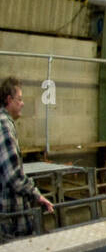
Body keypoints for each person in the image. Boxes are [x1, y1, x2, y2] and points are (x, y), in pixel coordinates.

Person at [0, 77, 54, 241]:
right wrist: (36, 194)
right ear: (9, 100)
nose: (23, 103)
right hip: (9, 216)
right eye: (20, 99)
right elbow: (13, 176)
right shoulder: (4, 125)